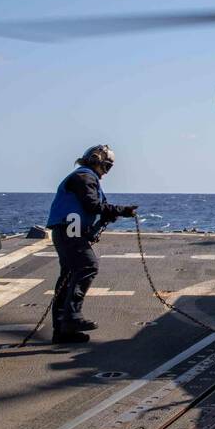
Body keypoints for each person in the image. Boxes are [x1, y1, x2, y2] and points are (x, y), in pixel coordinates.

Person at [46, 145, 137, 344]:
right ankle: (72, 317)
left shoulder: (84, 177)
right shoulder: (84, 177)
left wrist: (107, 216)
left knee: (68, 278)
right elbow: (92, 205)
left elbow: (92, 208)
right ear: (97, 160)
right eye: (106, 166)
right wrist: (121, 210)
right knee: (88, 266)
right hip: (70, 230)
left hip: (68, 230)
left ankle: (62, 331)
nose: (106, 172)